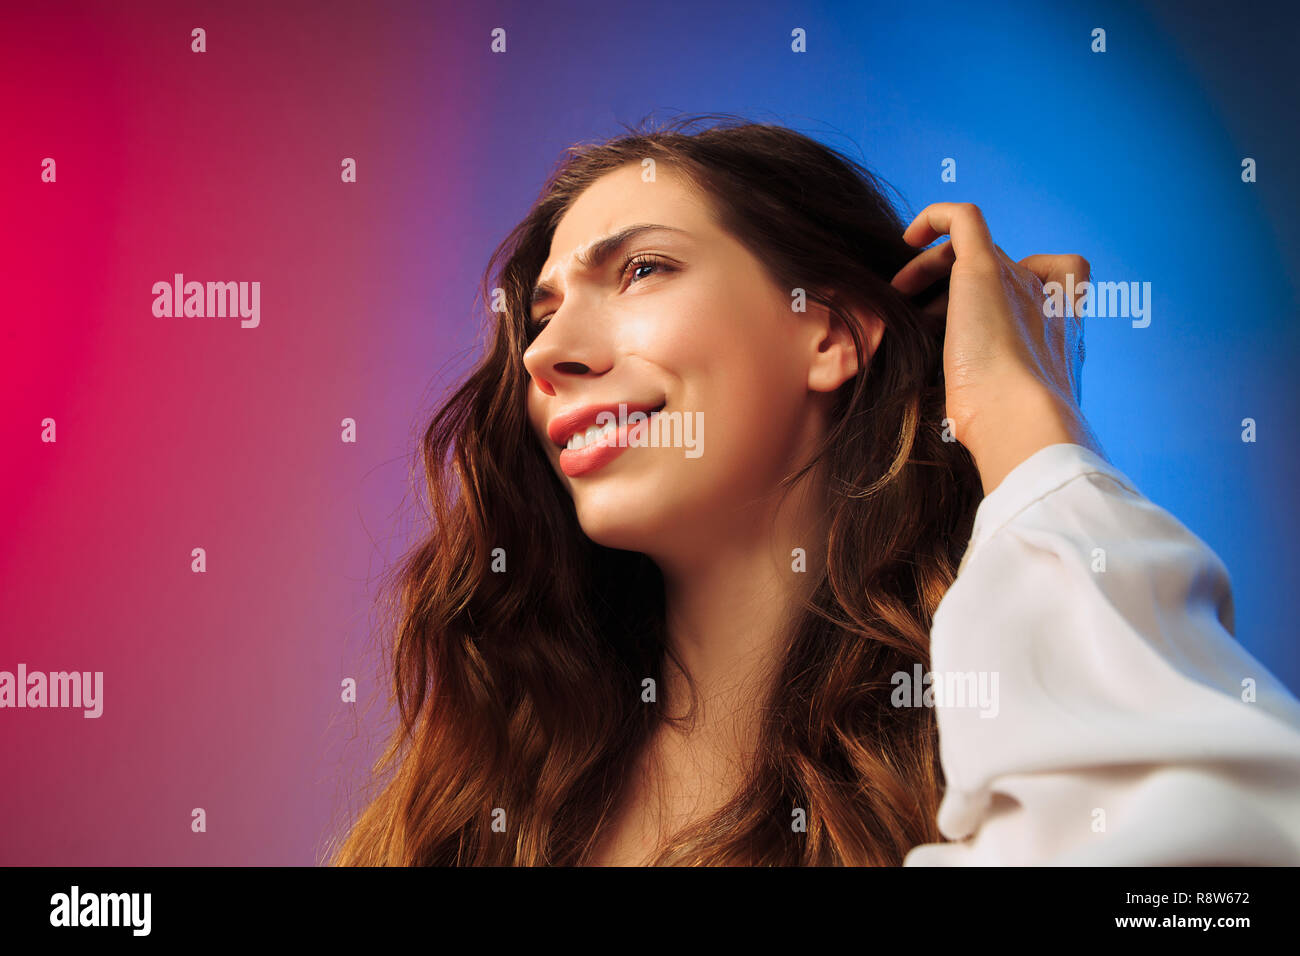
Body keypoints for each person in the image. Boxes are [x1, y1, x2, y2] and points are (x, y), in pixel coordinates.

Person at [329, 116, 1300, 866]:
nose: (546, 352)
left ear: (830, 333)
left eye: (641, 269)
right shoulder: (471, 810)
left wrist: (1021, 419)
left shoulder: (975, 759)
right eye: (541, 313)